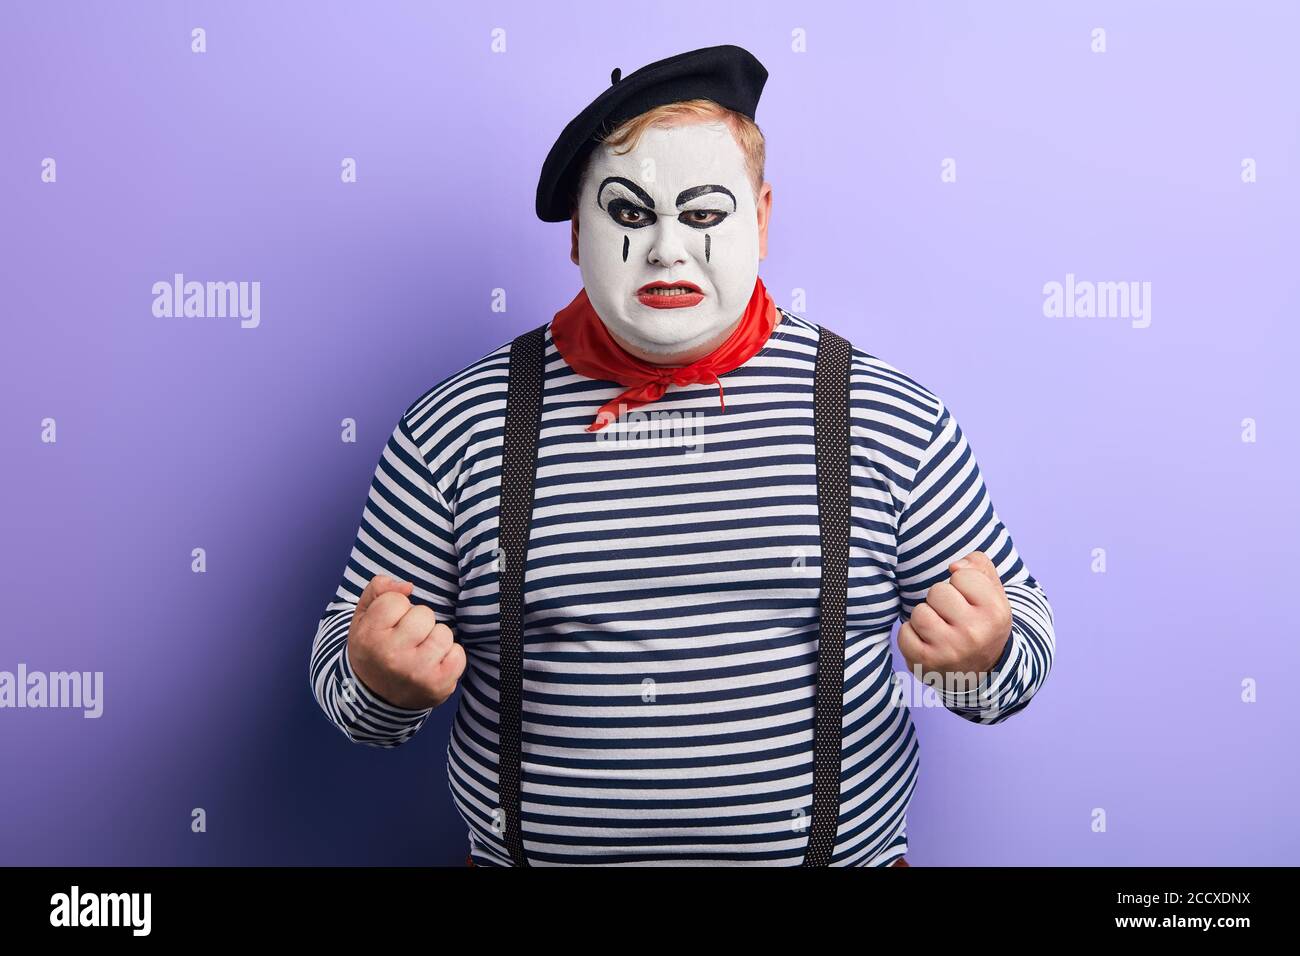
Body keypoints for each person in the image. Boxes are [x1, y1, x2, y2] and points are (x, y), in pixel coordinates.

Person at [308, 44, 1055, 866]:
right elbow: (352, 700)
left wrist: (979, 662)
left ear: (762, 219)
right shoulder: (457, 426)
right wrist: (379, 682)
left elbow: (1004, 683)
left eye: (703, 214)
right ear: (576, 234)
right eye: (629, 214)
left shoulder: (885, 419)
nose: (666, 250)